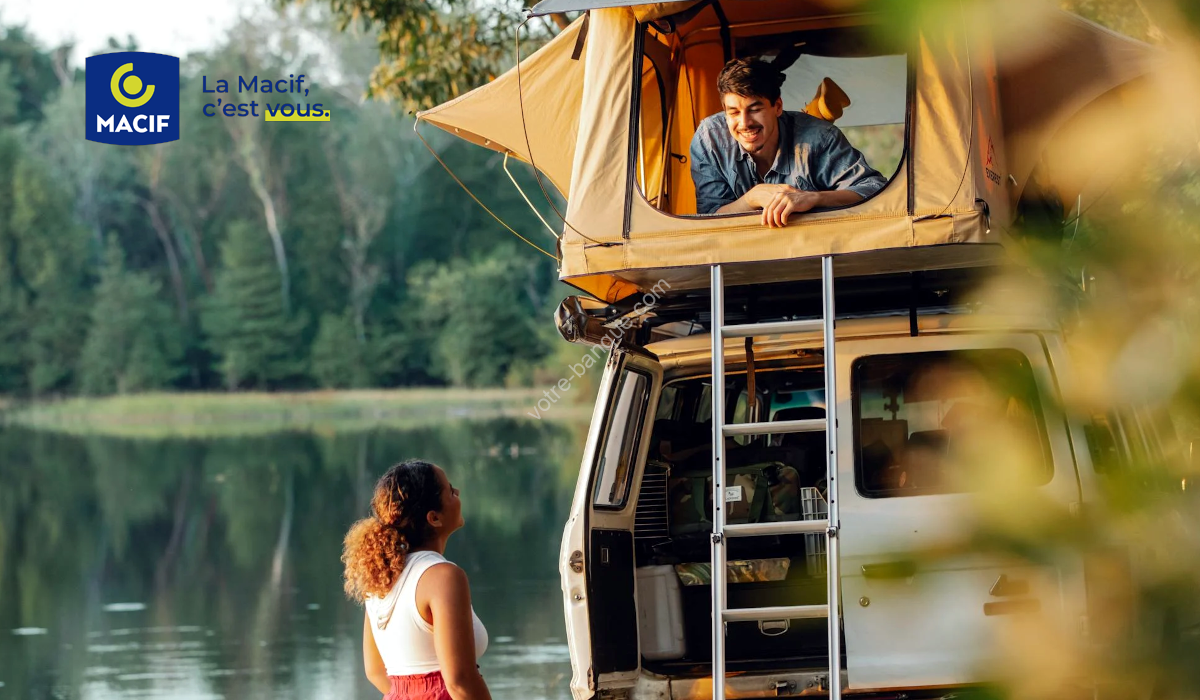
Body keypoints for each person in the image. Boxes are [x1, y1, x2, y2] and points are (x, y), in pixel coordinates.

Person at [342, 459, 491, 700]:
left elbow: (376, 672)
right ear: (434, 518)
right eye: (451, 491)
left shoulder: (381, 577)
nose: (458, 493)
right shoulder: (444, 576)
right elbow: (460, 683)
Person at [690, 58, 887, 226]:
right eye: (733, 112)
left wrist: (814, 198)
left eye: (755, 109)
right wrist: (752, 198)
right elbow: (709, 218)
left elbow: (874, 188)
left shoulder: (821, 136)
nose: (745, 123)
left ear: (777, 106)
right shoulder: (709, 139)